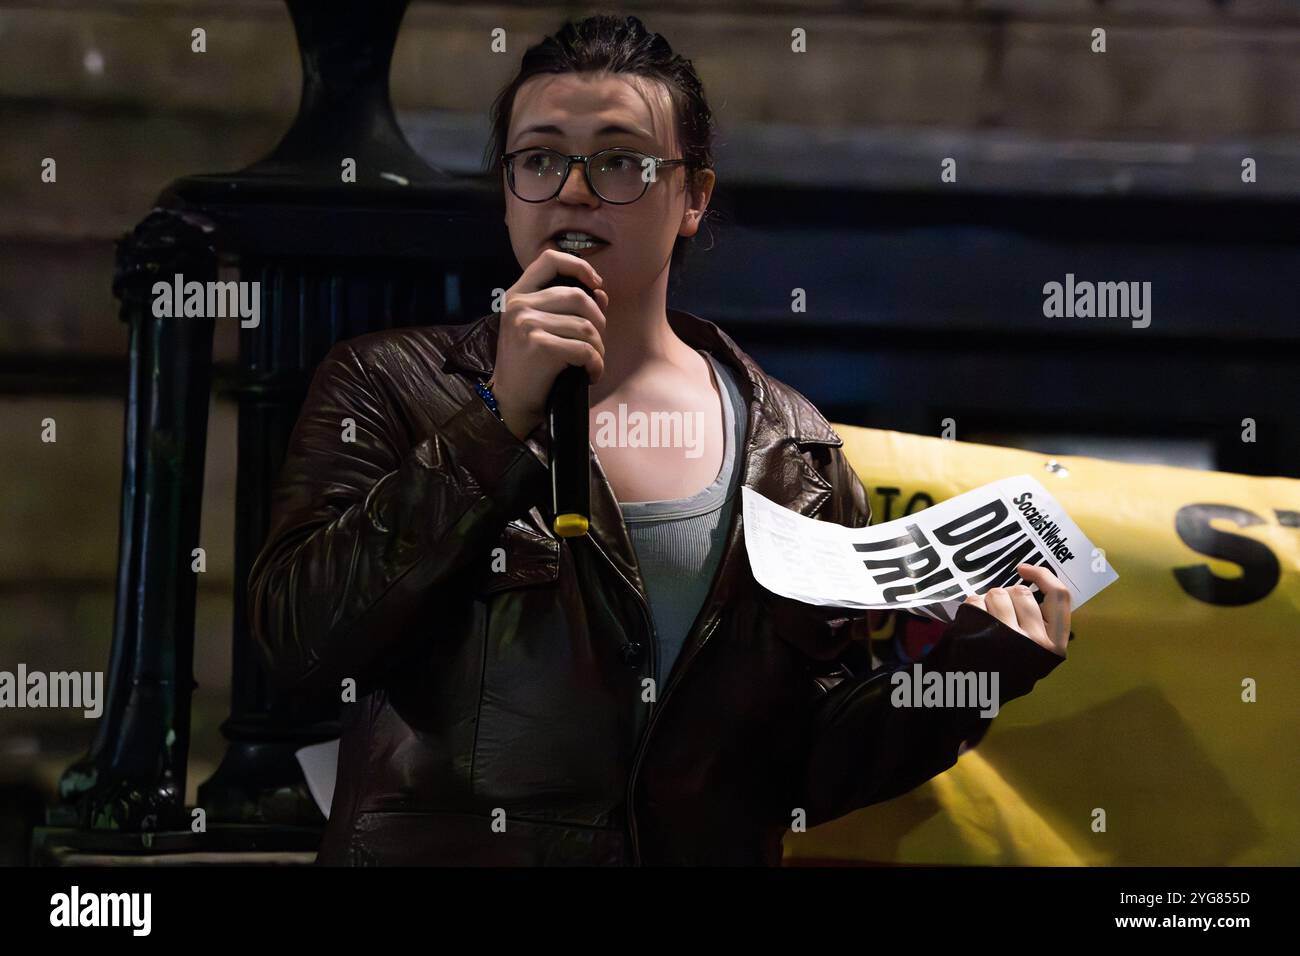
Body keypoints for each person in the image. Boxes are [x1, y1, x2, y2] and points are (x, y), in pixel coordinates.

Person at [247, 14, 1071, 866]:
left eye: (620, 162)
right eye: (539, 159)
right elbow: (298, 643)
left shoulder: (796, 453)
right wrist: (495, 419)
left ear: (694, 197)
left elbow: (796, 768)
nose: (573, 190)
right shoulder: (390, 382)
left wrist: (974, 674)